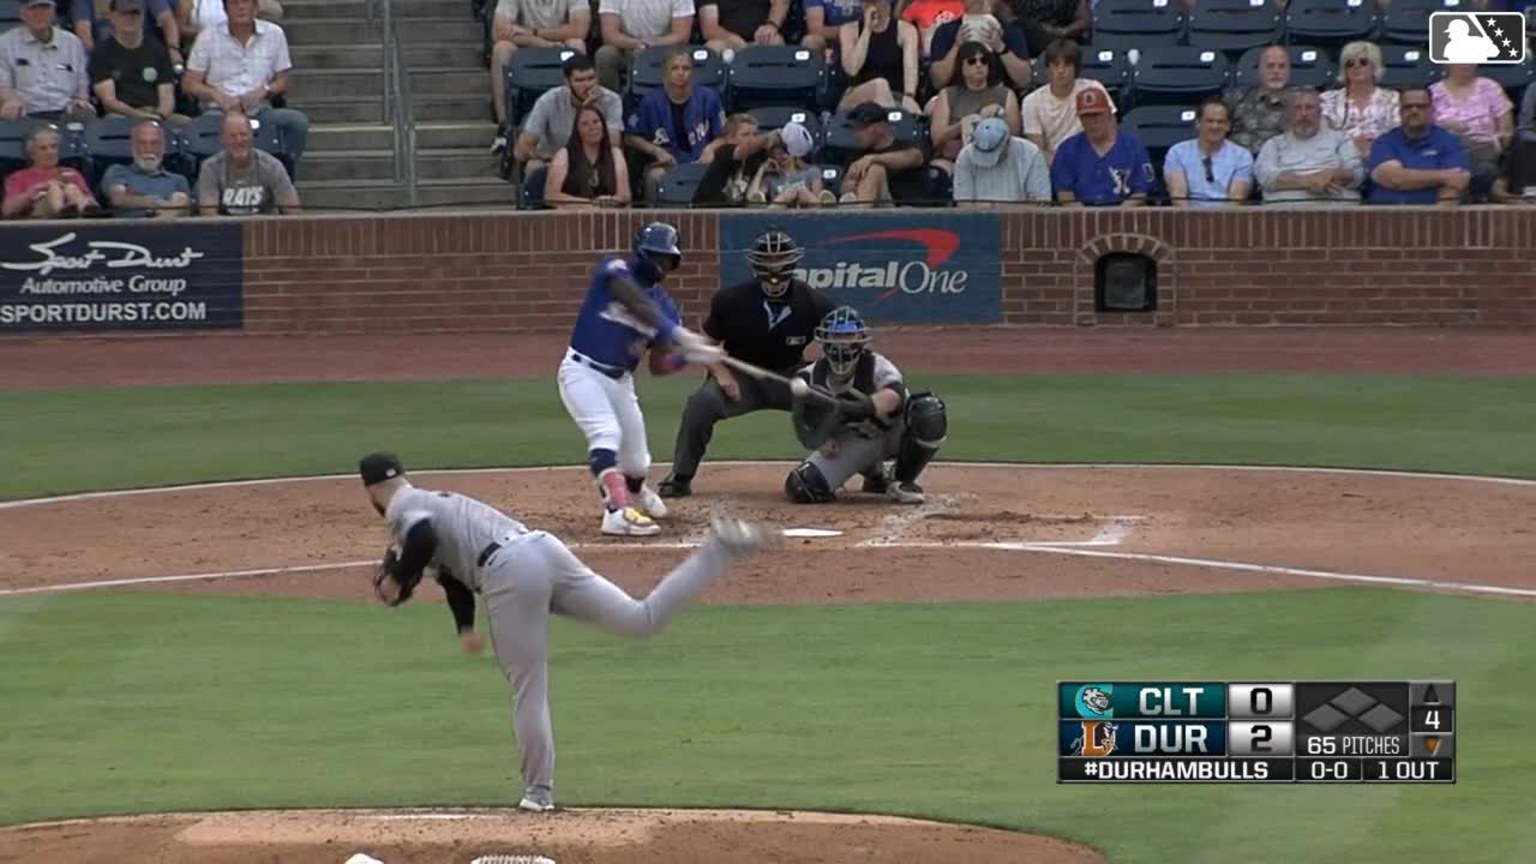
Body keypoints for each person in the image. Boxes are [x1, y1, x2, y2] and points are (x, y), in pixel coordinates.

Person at [359, 451, 777, 814]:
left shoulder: (402, 506)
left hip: (508, 572)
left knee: (529, 687)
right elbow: (451, 578)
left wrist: (397, 579)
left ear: (375, 489)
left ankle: (538, 794)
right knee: (640, 618)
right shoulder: (434, 500)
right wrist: (465, 628)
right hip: (542, 548)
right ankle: (718, 550)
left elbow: (421, 538)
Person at [557, 222, 725, 537]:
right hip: (582, 372)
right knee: (605, 433)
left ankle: (635, 492)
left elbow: (659, 366)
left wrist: (691, 356)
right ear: (642, 253)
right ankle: (616, 512)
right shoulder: (615, 269)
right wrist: (678, 334)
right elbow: (636, 302)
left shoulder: (668, 309)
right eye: (656, 257)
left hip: (621, 382)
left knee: (637, 464)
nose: (661, 264)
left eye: (667, 259)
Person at [658, 227, 839, 499]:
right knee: (701, 405)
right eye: (768, 261)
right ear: (755, 264)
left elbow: (838, 346)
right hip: (740, 374)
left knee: (836, 404)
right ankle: (680, 476)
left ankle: (871, 472)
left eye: (779, 260)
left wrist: (820, 378)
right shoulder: (730, 300)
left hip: (789, 376)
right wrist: (721, 375)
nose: (774, 268)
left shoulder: (814, 302)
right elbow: (705, 344)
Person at [783, 306, 948, 505]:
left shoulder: (877, 365)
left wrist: (852, 407)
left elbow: (893, 397)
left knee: (928, 412)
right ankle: (875, 474)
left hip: (892, 433)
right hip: (855, 442)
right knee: (803, 486)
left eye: (848, 337)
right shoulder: (809, 377)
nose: (841, 344)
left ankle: (903, 480)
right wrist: (820, 440)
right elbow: (803, 426)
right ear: (824, 341)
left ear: (859, 341)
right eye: (835, 337)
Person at [543, 104, 631, 208]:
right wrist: (588, 203)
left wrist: (610, 200)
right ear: (577, 130)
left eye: (596, 122)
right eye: (585, 124)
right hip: (571, 216)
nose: (592, 127)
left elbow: (625, 196)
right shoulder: (564, 155)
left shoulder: (615, 154)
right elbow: (551, 196)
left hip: (607, 215)